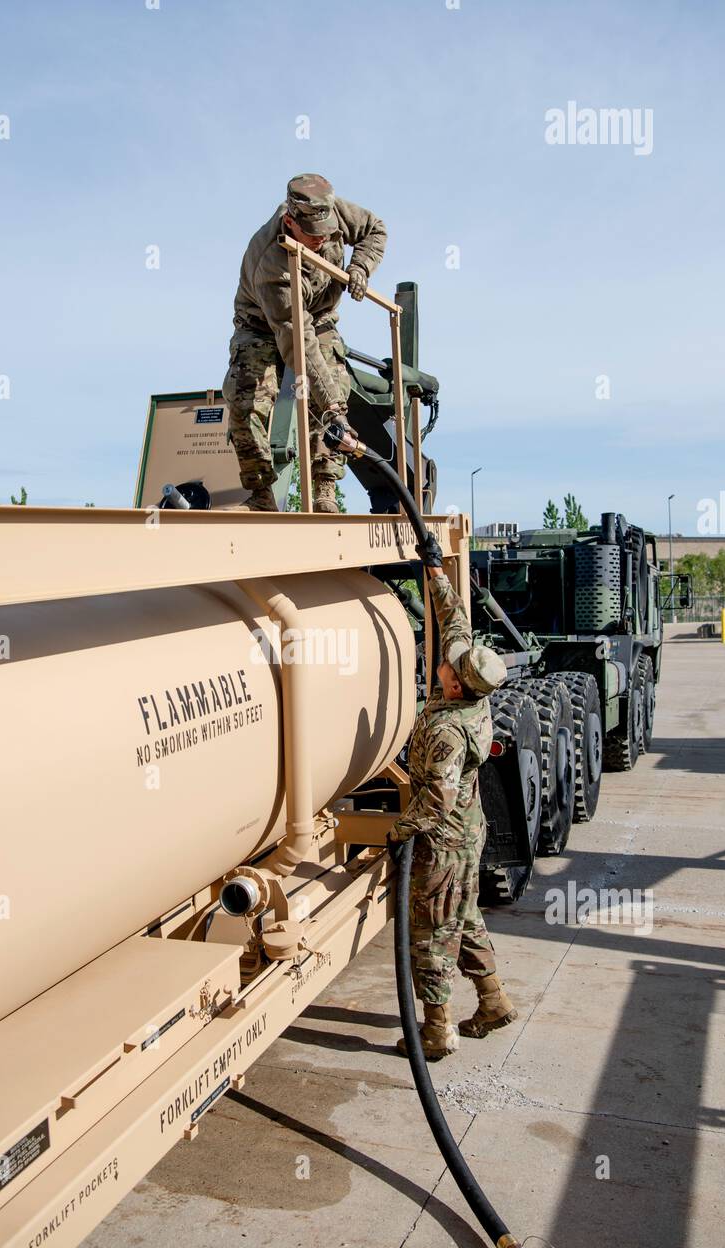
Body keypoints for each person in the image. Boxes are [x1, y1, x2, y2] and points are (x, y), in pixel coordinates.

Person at [388, 536, 517, 1061]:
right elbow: (457, 622)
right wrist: (436, 570)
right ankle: (493, 1000)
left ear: (457, 687)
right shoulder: (470, 691)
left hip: (442, 842)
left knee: (429, 937)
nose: (444, 659)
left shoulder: (447, 729)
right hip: (470, 831)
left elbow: (437, 798)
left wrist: (399, 832)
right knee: (464, 917)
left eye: (449, 663)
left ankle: (437, 1032)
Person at [222, 173, 386, 513]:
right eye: (312, 236)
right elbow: (298, 341)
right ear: (289, 222)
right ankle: (261, 493)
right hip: (264, 325)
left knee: (334, 384)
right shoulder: (272, 265)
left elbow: (375, 229)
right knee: (245, 399)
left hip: (320, 316)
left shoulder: (333, 210)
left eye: (326, 234)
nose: (321, 240)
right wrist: (333, 410)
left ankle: (324, 486)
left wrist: (360, 267)